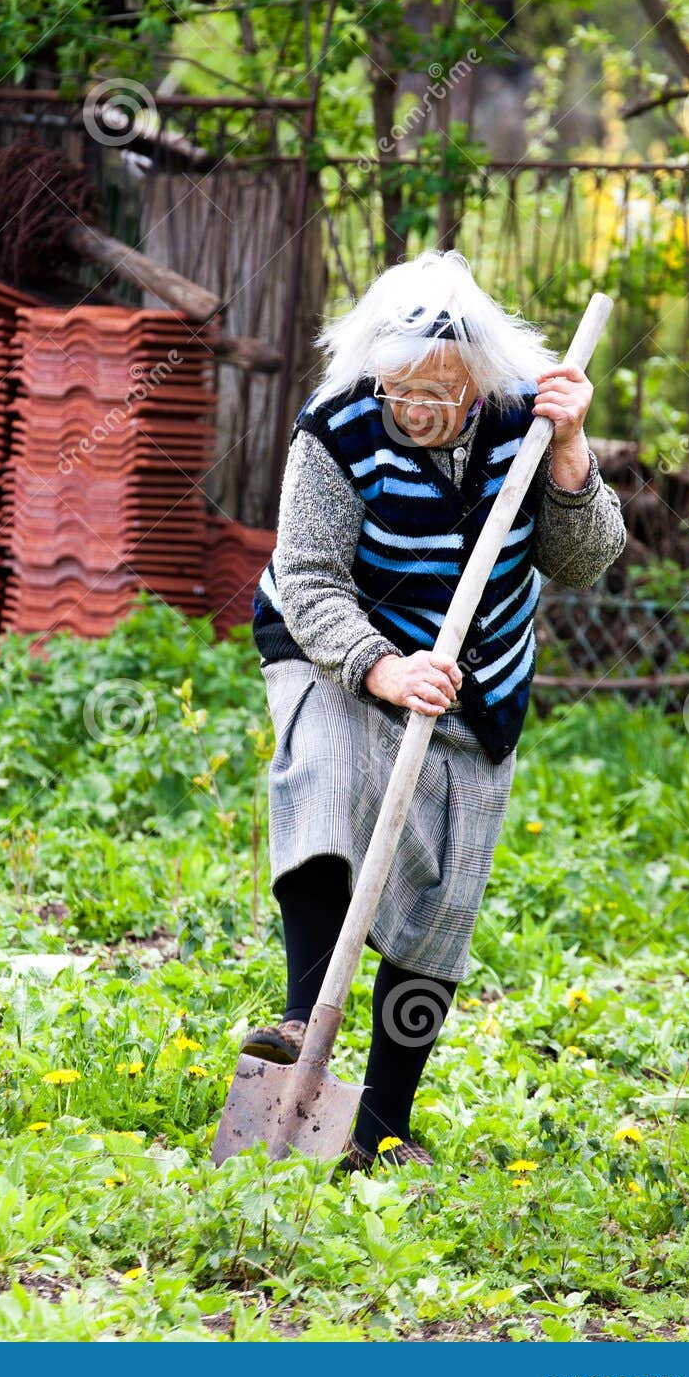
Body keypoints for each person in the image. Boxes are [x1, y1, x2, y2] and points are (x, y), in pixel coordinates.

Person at [246, 249, 626, 1170]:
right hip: (336, 645)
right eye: (400, 392)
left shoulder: (525, 419)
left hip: (480, 677)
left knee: (444, 896)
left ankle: (380, 1128)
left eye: (438, 396)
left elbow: (585, 560)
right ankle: (303, 1018)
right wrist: (380, 668)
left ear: (478, 380)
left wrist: (571, 455)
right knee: (325, 771)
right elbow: (308, 580)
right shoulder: (334, 429)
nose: (415, 412)